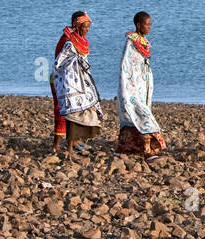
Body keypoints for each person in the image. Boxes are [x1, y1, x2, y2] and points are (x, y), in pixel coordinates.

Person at [50, 10, 103, 156]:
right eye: (85, 27)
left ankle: (75, 141)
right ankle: (56, 146)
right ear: (76, 24)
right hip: (63, 81)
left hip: (76, 81)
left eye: (88, 27)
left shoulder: (79, 40)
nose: (87, 30)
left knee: (78, 110)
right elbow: (61, 62)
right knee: (63, 112)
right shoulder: (68, 40)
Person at [116, 11, 166, 164]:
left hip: (142, 87)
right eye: (146, 24)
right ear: (138, 25)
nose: (149, 27)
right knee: (144, 117)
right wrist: (127, 88)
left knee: (138, 116)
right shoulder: (131, 43)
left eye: (150, 24)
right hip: (131, 88)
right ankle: (148, 153)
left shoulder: (143, 42)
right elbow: (126, 66)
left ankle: (124, 150)